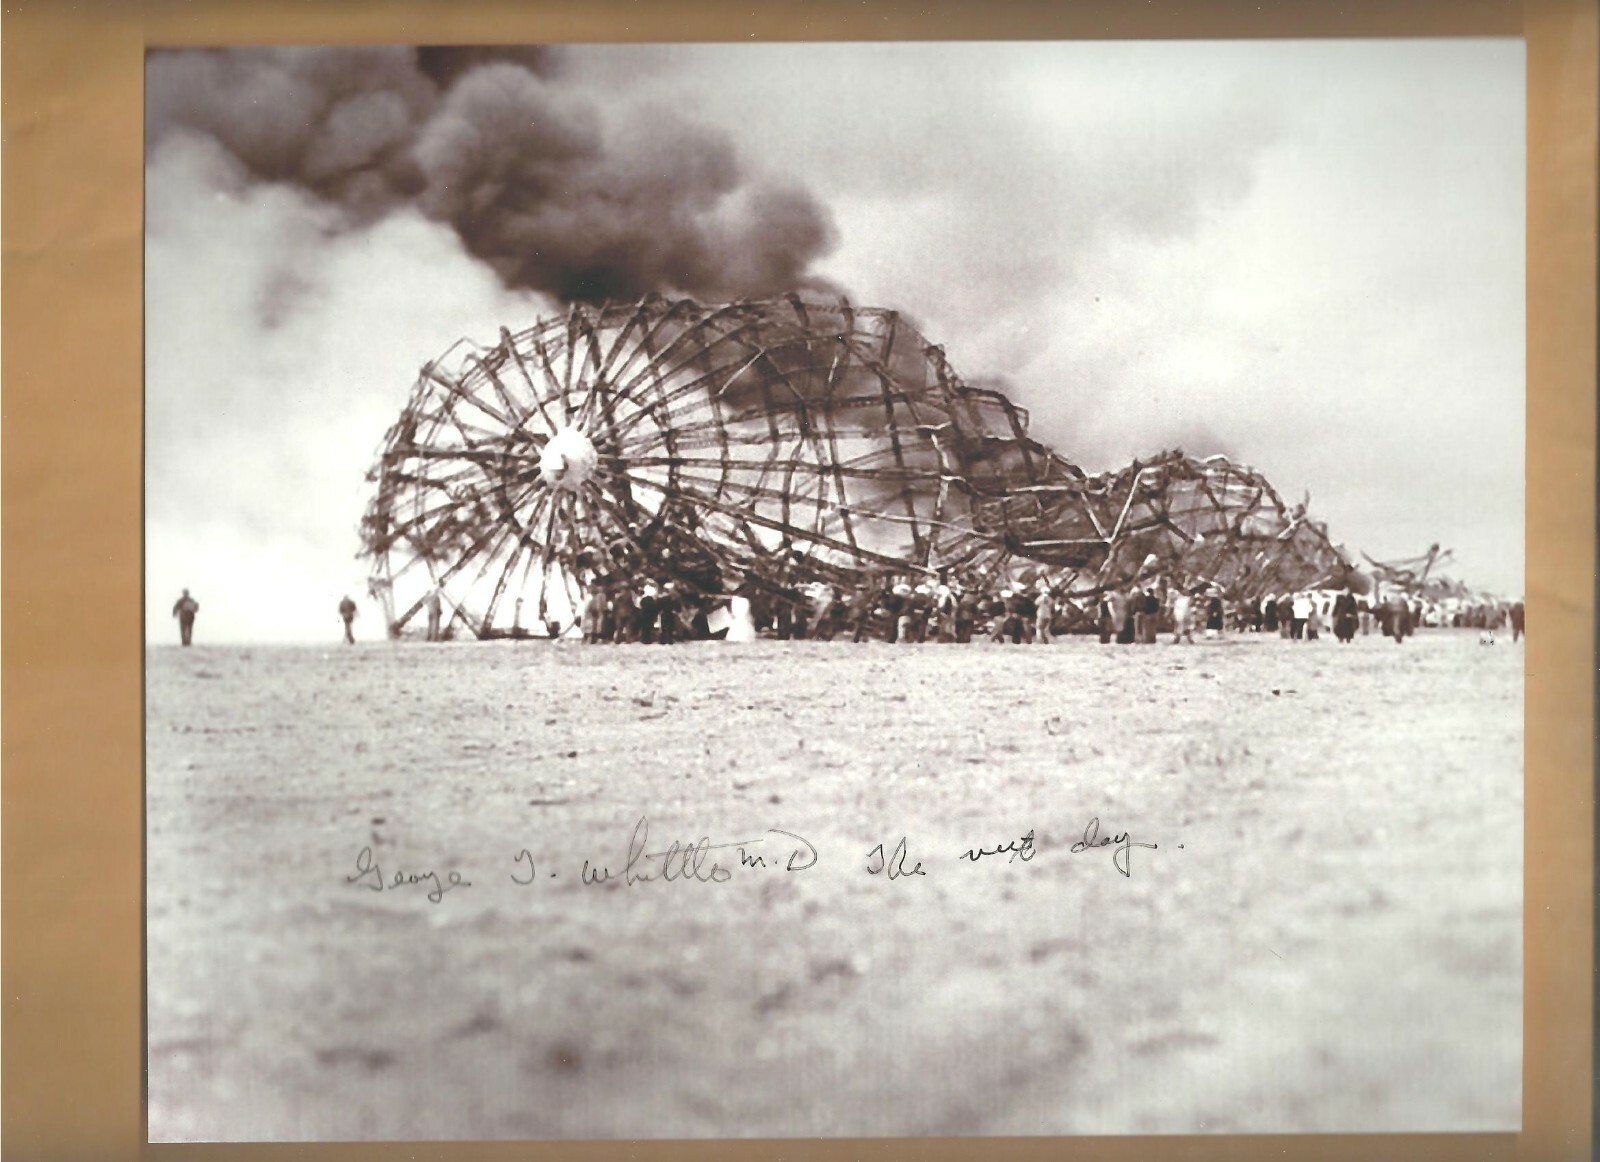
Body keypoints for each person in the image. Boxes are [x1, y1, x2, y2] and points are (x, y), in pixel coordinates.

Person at [1033, 580, 1055, 645]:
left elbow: (1035, 604)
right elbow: (1052, 606)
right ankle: (1046, 640)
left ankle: (1040, 640)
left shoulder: (1039, 598)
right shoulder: (1050, 599)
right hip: (1048, 615)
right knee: (1046, 628)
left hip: (1041, 614)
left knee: (1039, 628)